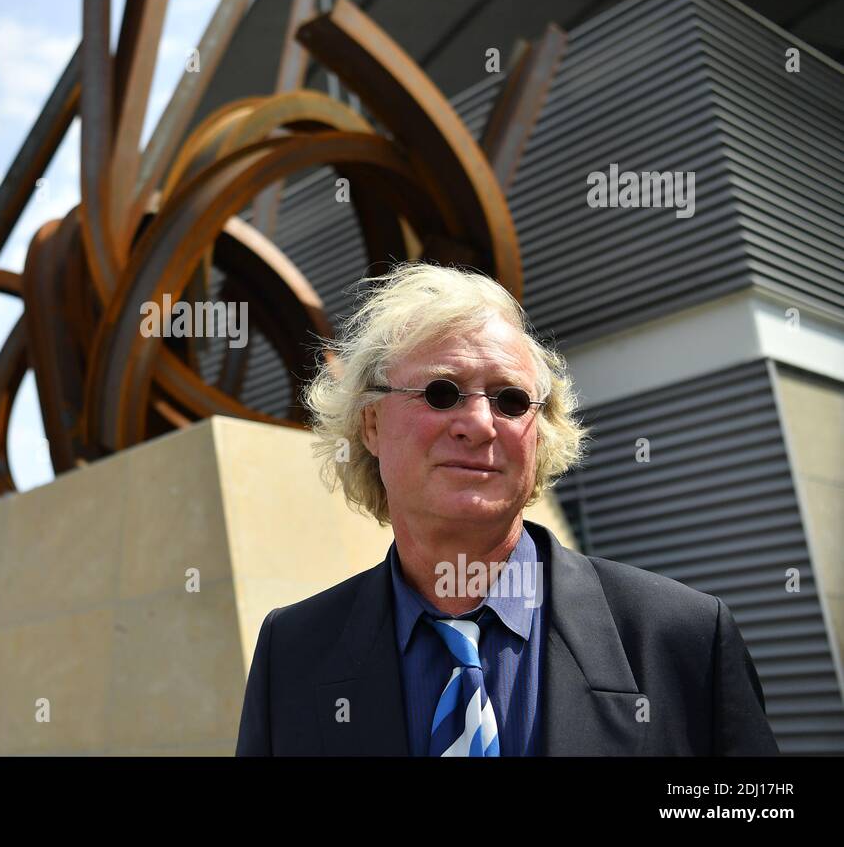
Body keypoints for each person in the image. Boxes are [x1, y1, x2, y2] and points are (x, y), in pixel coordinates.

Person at [235, 262, 778, 756]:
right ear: (371, 425)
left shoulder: (681, 636)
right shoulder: (295, 652)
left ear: (539, 436)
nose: (480, 423)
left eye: (511, 400)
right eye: (441, 392)